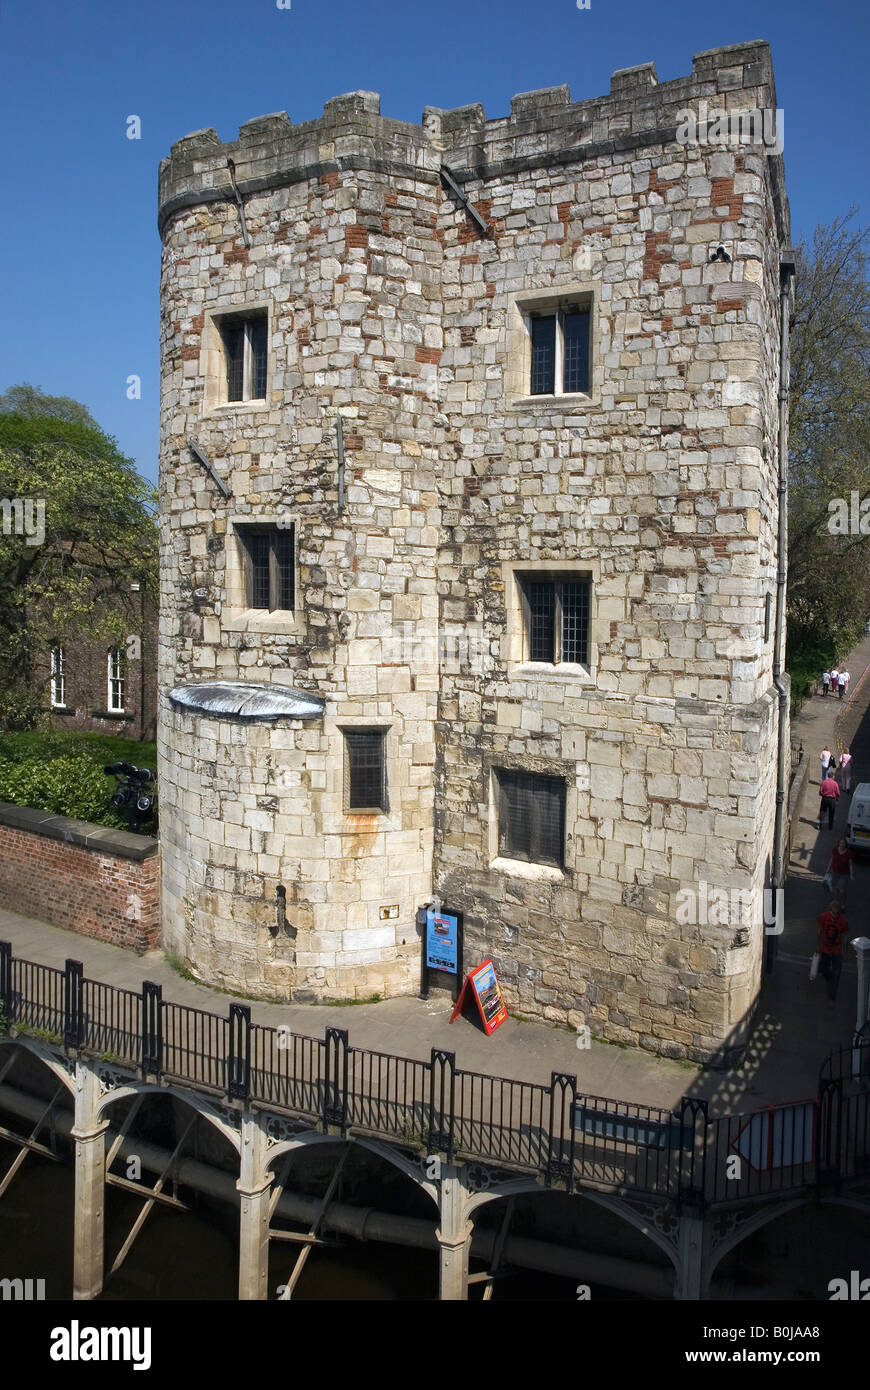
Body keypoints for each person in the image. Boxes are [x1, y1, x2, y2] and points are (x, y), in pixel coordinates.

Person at [816, 902, 848, 1001]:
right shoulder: (824, 917)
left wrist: (845, 951)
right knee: (822, 969)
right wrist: (818, 946)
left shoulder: (843, 921)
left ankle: (832, 998)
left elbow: (845, 937)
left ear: (839, 913)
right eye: (833, 913)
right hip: (825, 949)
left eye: (836, 913)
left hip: (837, 951)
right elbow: (819, 931)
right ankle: (829, 977)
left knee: (837, 974)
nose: (834, 916)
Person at [826, 837, 853, 906]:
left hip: (844, 874)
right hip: (835, 873)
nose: (842, 844)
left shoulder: (848, 853)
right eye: (841, 843)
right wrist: (828, 869)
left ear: (845, 844)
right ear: (838, 844)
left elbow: (850, 864)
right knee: (835, 889)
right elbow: (831, 859)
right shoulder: (835, 850)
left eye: (843, 843)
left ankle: (842, 904)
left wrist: (851, 874)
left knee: (842, 891)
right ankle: (836, 903)